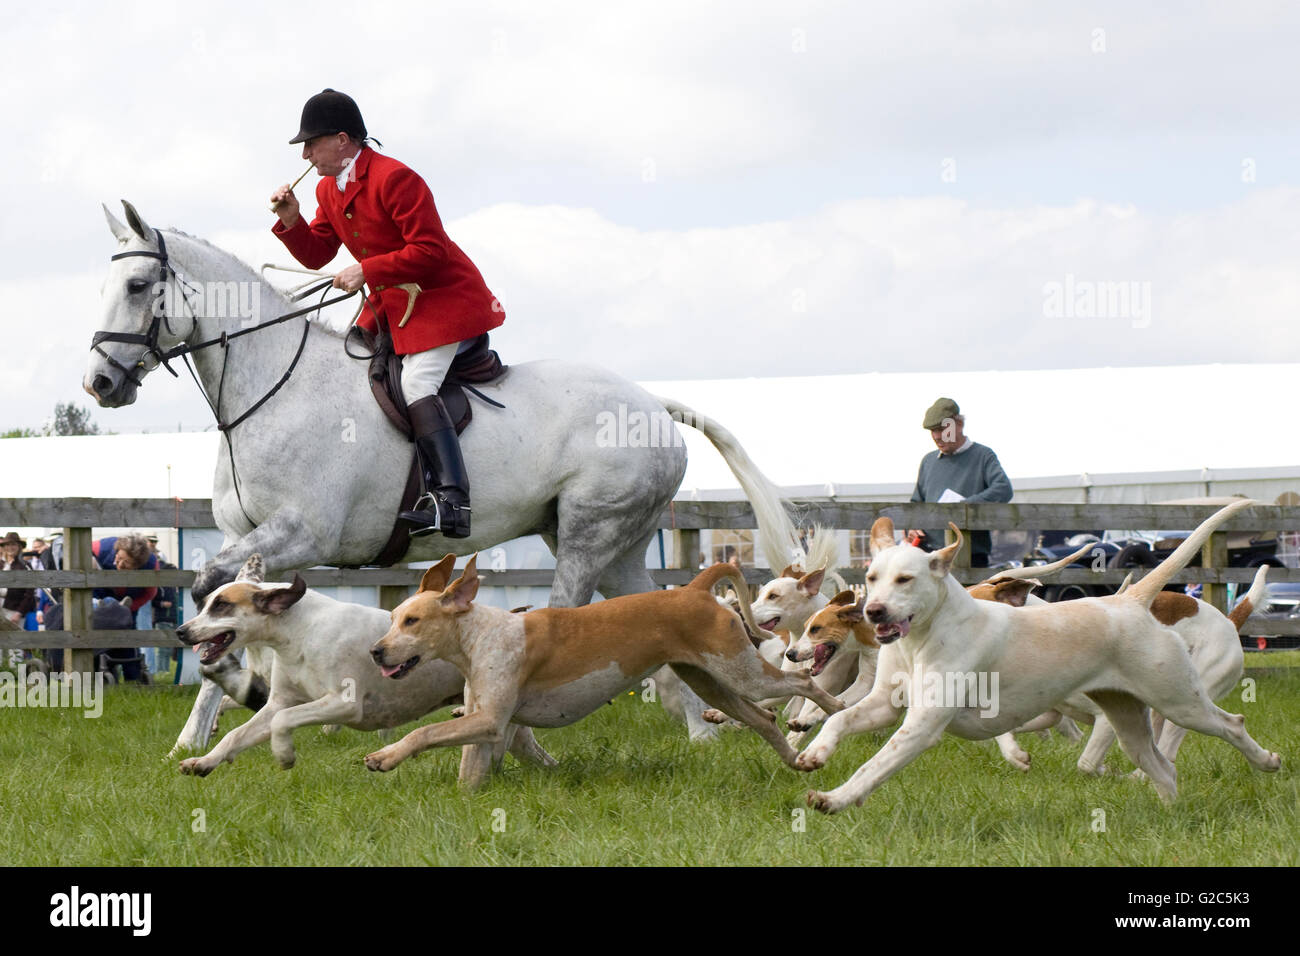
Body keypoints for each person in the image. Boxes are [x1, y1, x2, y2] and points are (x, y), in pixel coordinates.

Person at [269, 88, 504, 540]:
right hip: (390, 309)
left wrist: (367, 269)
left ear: (342, 140)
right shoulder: (327, 188)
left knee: (417, 382)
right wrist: (293, 220)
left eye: (311, 143)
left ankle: (453, 502)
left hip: (443, 303)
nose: (305, 154)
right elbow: (318, 255)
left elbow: (431, 251)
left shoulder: (396, 179)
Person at [907, 397, 1013, 569]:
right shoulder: (928, 461)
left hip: (970, 554)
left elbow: (1003, 489)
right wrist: (912, 526)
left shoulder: (983, 456)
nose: (936, 436)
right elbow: (916, 503)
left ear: (959, 425)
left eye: (942, 429)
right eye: (932, 431)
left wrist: (960, 508)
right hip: (929, 554)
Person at [90, 533, 157, 683]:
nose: (119, 565)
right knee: (98, 633)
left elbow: (150, 592)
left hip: (130, 600)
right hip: (101, 592)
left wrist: (128, 609)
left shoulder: (150, 564)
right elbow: (80, 553)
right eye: (118, 559)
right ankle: (101, 674)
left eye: (126, 564)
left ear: (137, 566)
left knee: (128, 635)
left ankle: (132, 678)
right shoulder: (101, 547)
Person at [1, 532, 36, 631]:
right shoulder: (1, 564)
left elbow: (29, 594)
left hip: (13, 610)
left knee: (14, 643)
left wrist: (19, 612)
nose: (10, 547)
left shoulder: (24, 566)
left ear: (19, 547)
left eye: (13, 544)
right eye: (7, 544)